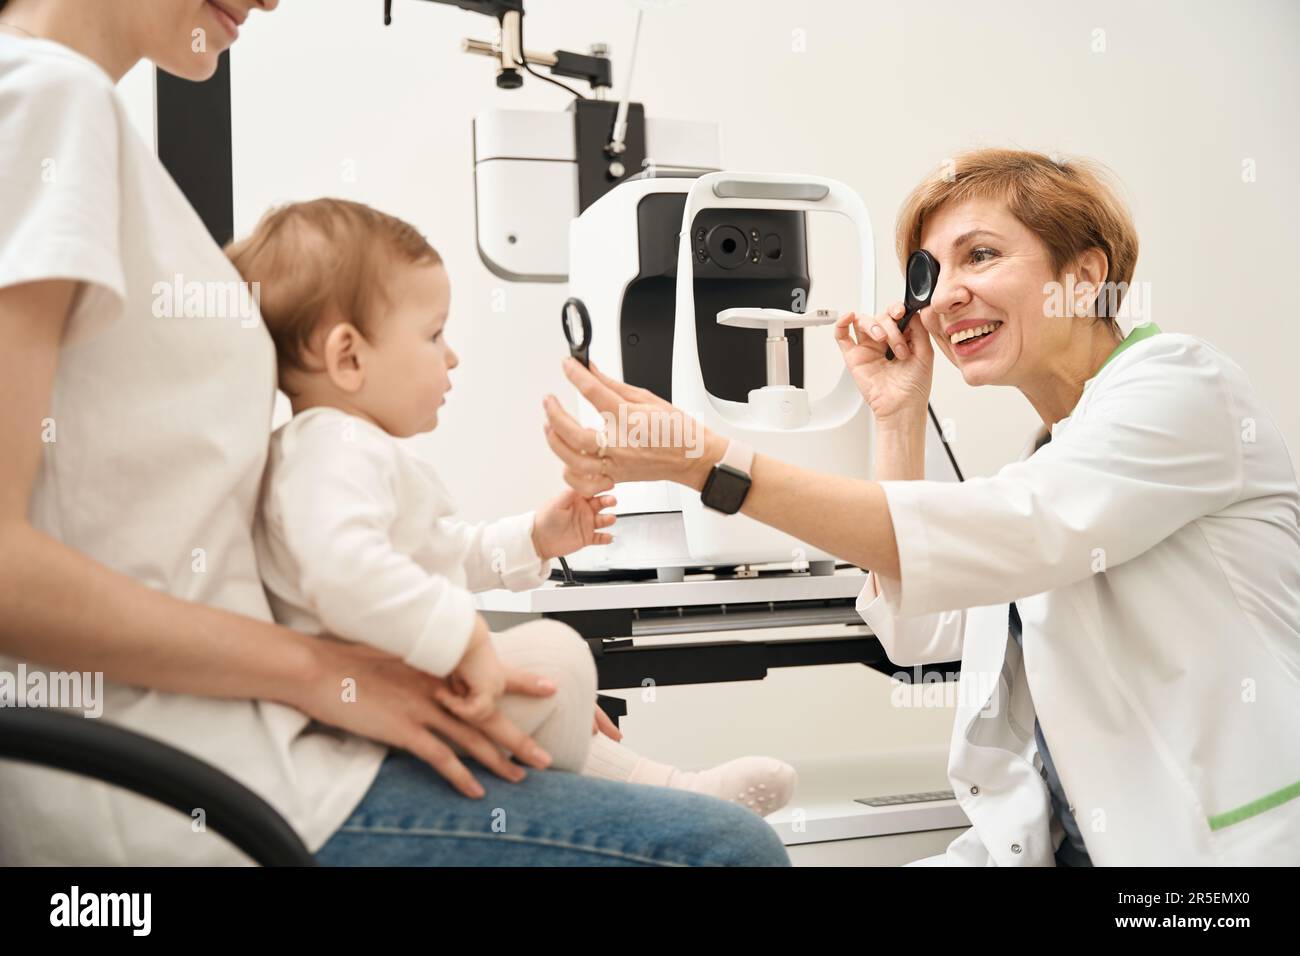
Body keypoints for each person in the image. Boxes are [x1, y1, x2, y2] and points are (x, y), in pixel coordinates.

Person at [0, 0, 790, 866]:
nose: (271, 0)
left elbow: (224, 547)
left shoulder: (91, 130)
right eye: (430, 335)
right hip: (188, 793)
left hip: (262, 748)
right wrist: (339, 675)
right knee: (726, 852)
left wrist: (465, 667)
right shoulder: (46, 99)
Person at [543, 148, 1300, 866]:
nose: (941, 296)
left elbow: (1015, 529)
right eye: (929, 272)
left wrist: (709, 465)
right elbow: (920, 633)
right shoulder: (1052, 457)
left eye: (981, 255)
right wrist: (897, 419)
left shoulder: (1182, 391)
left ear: (1085, 273)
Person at [228, 197, 798, 817]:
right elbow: (343, 572)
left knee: (554, 677)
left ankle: (671, 791)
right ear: (348, 357)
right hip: (364, 725)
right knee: (555, 664)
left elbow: (438, 555)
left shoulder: (344, 452)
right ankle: (665, 795)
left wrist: (536, 538)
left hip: (387, 701)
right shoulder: (331, 452)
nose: (452, 357)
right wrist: (463, 638)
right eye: (433, 334)